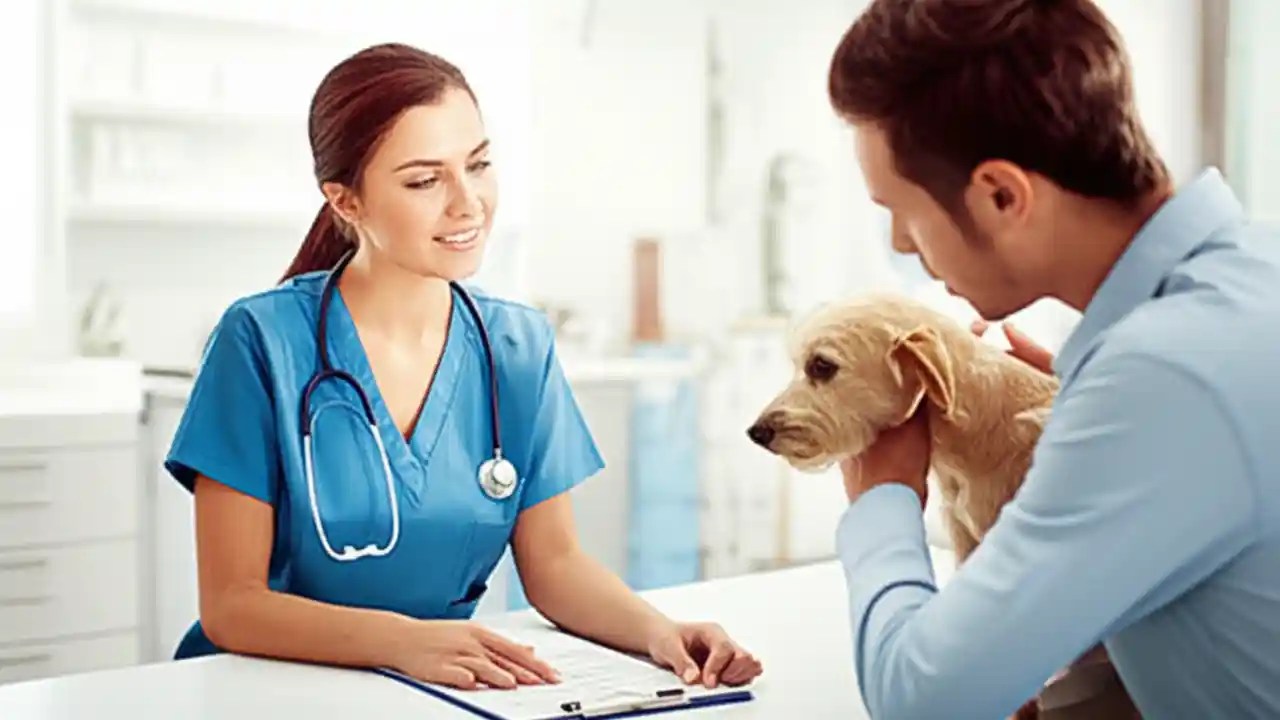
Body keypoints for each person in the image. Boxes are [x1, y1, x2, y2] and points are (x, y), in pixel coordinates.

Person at [164, 42, 762, 693]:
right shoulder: (261, 341)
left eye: (477, 166)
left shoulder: (517, 344)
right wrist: (402, 642)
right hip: (257, 691)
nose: (468, 202)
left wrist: (660, 634)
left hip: (433, 692)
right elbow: (232, 606)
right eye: (425, 180)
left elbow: (555, 564)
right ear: (346, 201)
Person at [824, 1, 1280, 718]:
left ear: (1002, 196)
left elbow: (923, 702)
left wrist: (882, 498)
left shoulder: (1160, 379)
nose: (902, 247)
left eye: (903, 212)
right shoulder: (1255, 274)